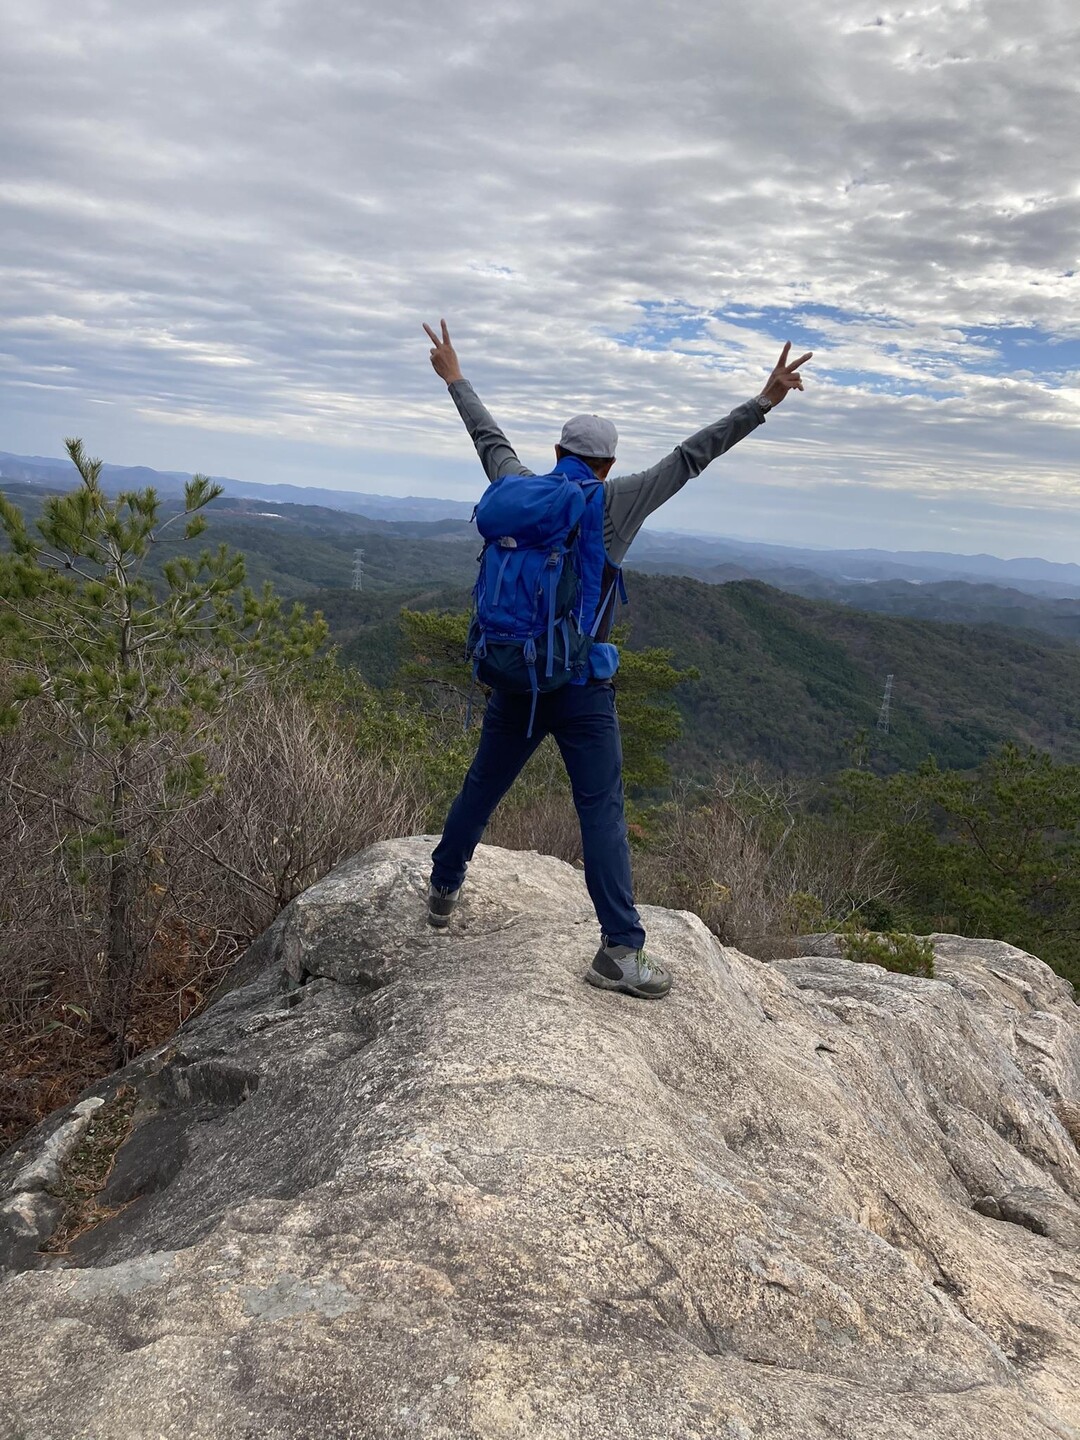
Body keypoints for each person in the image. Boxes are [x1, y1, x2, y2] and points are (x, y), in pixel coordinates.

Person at [422, 319, 811, 999]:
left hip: (514, 679)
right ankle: (619, 954)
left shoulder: (518, 485)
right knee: (599, 809)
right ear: (604, 465)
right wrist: (764, 401)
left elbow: (489, 439)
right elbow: (692, 457)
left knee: (481, 789)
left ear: (557, 452)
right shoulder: (615, 501)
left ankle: (443, 887)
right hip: (579, 688)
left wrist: (455, 377)